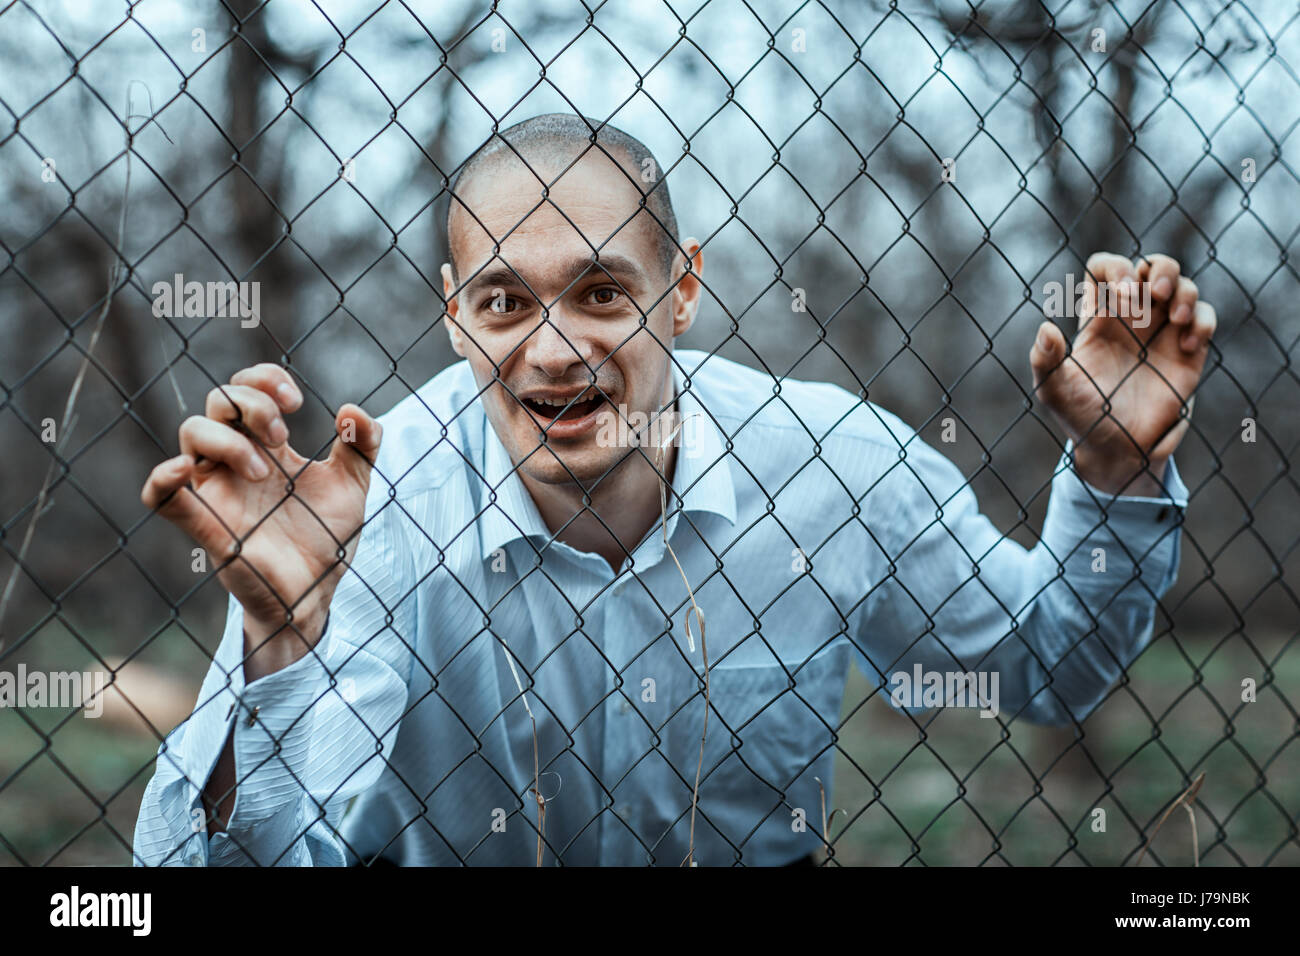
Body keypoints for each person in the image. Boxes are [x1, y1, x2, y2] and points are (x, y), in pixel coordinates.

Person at [133, 113, 1216, 866]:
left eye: (601, 290)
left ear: (683, 291)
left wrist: (1116, 472)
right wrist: (274, 637)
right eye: (505, 303)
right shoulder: (376, 509)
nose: (554, 349)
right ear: (456, 316)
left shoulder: (833, 465)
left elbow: (1044, 667)